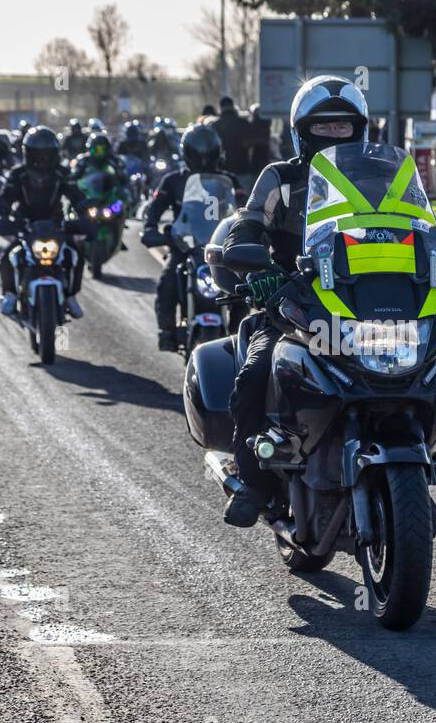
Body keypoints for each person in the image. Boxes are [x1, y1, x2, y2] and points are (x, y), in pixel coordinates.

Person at [221, 75, 369, 527]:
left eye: (343, 127)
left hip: (362, 306)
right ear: (301, 130)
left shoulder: (378, 180)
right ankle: (253, 480)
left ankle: (411, 472)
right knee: (252, 375)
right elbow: (247, 225)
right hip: (292, 304)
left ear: (359, 129)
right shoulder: (280, 178)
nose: (333, 135)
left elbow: (417, 229)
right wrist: (259, 269)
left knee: (411, 367)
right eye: (323, 127)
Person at [141, 124, 240, 352]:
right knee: (166, 283)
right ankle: (166, 331)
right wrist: (150, 228)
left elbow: (246, 211)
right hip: (184, 247)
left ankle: (239, 334)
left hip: (221, 251)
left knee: (242, 291)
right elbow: (155, 209)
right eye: (199, 155)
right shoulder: (172, 181)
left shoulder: (230, 182)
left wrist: (254, 233)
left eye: (208, 154)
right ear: (188, 154)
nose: (204, 160)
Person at [0, 126, 87, 319]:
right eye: (37, 154)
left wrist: (84, 214)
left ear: (54, 154)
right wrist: (2, 215)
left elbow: (76, 196)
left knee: (76, 254)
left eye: (46, 154)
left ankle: (71, 295)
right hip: (25, 224)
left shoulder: (62, 173)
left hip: (55, 224)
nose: (42, 159)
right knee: (7, 257)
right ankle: (10, 294)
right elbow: (6, 197)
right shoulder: (18, 174)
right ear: (27, 153)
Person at [211, 96, 251, 180]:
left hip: (223, 172)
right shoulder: (244, 123)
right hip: (243, 169)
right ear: (233, 106)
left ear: (220, 108)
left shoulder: (215, 126)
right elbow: (250, 145)